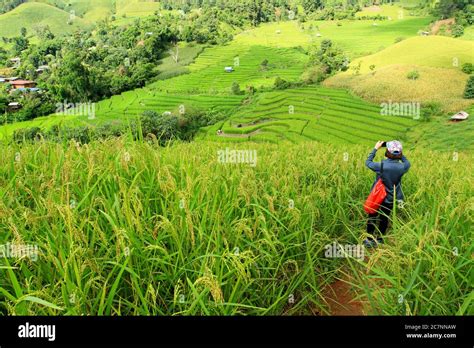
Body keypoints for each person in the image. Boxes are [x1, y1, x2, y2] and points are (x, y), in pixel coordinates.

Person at [364, 140, 410, 248]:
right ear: (400, 153)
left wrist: (375, 148)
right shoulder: (403, 167)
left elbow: (368, 162)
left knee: (372, 216)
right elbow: (407, 162)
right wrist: (400, 155)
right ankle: (380, 239)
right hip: (390, 198)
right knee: (384, 218)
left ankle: (369, 239)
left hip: (377, 197)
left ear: (387, 152)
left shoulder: (381, 165)